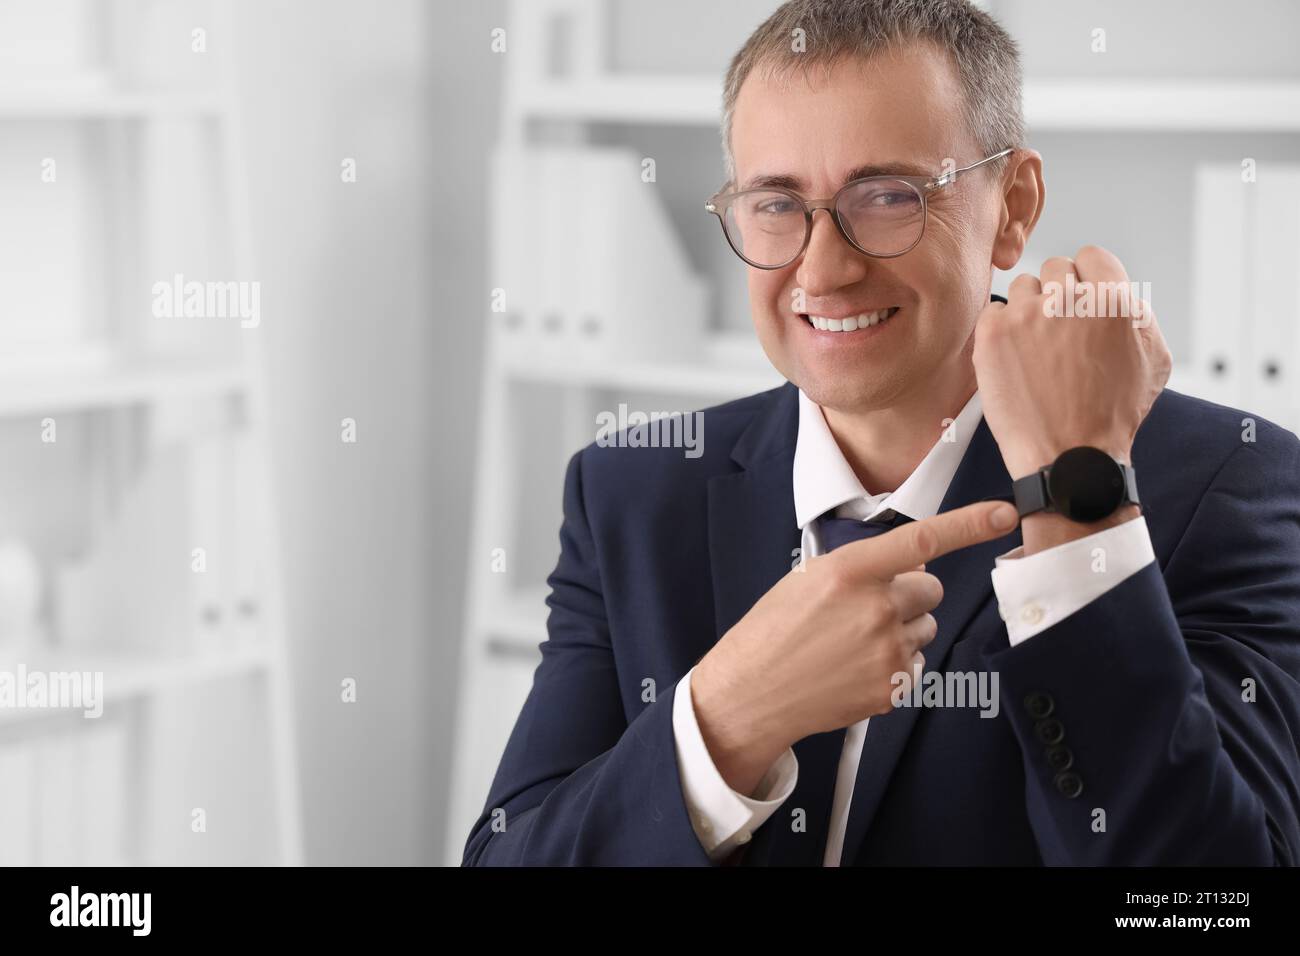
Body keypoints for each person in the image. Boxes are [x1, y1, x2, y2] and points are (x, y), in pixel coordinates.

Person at [463, 0, 1300, 866]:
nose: (823, 268)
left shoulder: (1227, 486)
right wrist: (730, 718)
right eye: (777, 204)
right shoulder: (627, 494)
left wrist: (1074, 504)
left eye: (890, 196)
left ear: (1013, 206)